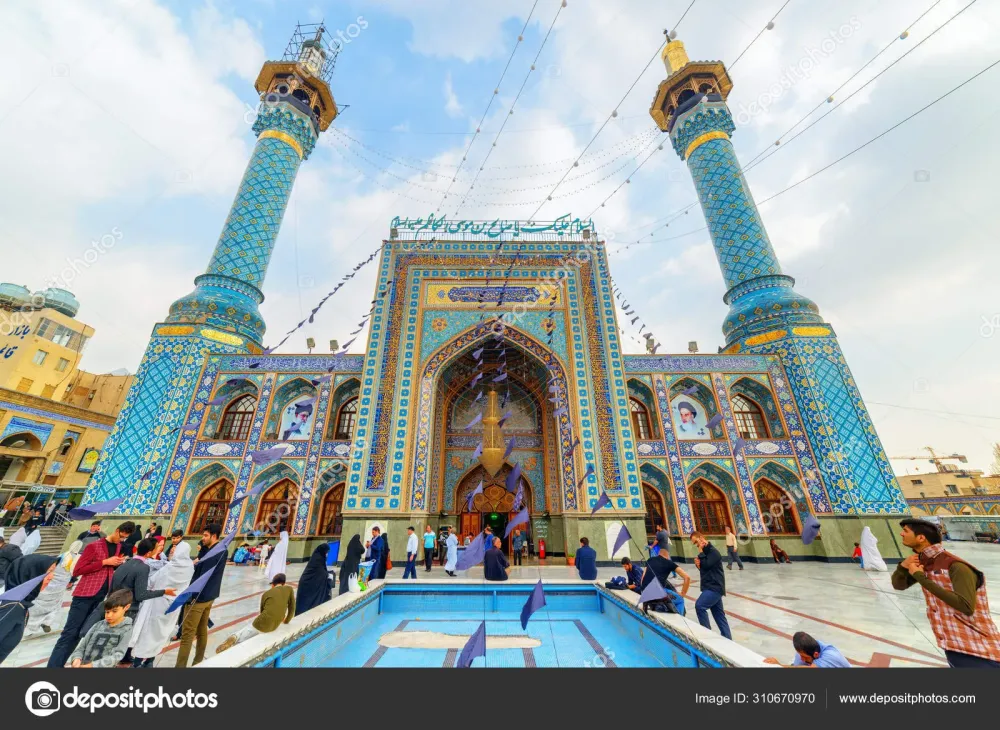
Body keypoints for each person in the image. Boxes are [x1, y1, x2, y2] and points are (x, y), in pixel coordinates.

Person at [892, 518, 1000, 668]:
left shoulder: (955, 565)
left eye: (906, 531)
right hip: (952, 643)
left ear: (921, 537)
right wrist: (903, 567)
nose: (901, 534)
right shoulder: (925, 562)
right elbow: (899, 585)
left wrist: (919, 576)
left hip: (979, 648)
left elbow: (965, 606)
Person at [47, 521, 134, 668]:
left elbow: (107, 569)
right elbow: (78, 570)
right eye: (121, 536)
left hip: (101, 596)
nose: (122, 540)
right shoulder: (94, 546)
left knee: (84, 634)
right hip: (85, 594)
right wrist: (105, 561)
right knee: (70, 634)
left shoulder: (119, 547)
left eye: (125, 538)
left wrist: (116, 563)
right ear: (117, 530)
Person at [130, 541, 195, 667]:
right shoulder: (190, 567)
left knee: (148, 633)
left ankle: (137, 662)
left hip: (157, 604)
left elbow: (151, 582)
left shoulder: (170, 567)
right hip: (173, 606)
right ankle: (150, 661)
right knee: (161, 633)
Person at [175, 523, 227, 667]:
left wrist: (190, 597)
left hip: (199, 597)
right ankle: (198, 661)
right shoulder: (218, 549)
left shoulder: (215, 553)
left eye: (205, 535)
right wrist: (203, 549)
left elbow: (201, 576)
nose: (202, 538)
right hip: (210, 595)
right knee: (202, 629)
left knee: (187, 634)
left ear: (214, 536)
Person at [216, 573, 295, 654]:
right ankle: (235, 641)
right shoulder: (289, 589)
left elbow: (262, 611)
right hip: (275, 624)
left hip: (262, 622)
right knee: (255, 632)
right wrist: (286, 620)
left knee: (244, 633)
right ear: (284, 583)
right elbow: (292, 607)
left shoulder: (266, 594)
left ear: (273, 584)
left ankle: (234, 638)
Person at [0, 554, 57, 664]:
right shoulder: (13, 607)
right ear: (30, 574)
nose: (51, 576)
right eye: (48, 572)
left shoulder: (17, 601)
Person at [24, 540, 83, 637]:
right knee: (55, 603)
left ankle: (31, 626)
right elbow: (76, 572)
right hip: (62, 584)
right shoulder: (78, 558)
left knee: (40, 601)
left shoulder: (62, 555)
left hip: (51, 581)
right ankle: (47, 621)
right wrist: (72, 581)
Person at [67, 589, 134, 668]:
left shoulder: (127, 629)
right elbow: (82, 647)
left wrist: (92, 665)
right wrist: (76, 658)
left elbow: (118, 655)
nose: (109, 615)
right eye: (107, 612)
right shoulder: (98, 625)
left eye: (114, 611)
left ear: (126, 607)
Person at [690, 532, 732, 639]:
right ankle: (728, 639)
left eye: (696, 542)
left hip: (715, 587)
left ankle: (707, 636)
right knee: (719, 616)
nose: (696, 546)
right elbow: (705, 569)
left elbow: (708, 564)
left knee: (700, 606)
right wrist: (698, 565)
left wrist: (700, 554)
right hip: (710, 586)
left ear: (701, 538)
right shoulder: (705, 553)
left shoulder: (714, 552)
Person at [640, 544, 691, 613]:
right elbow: (687, 577)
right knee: (680, 600)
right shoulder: (669, 563)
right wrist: (683, 593)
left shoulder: (650, 560)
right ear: (667, 556)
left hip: (645, 592)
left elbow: (643, 577)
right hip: (657, 593)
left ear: (659, 554)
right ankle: (678, 621)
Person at [764, 632, 851, 668]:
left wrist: (781, 666)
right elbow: (796, 668)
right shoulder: (802, 654)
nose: (802, 659)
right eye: (801, 655)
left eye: (805, 657)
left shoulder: (831, 655)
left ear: (816, 654)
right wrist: (777, 664)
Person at [295, 544, 333, 615]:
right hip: (308, 585)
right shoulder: (318, 560)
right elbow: (321, 573)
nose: (327, 554)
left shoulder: (319, 558)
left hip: (310, 584)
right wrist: (328, 575)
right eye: (326, 552)